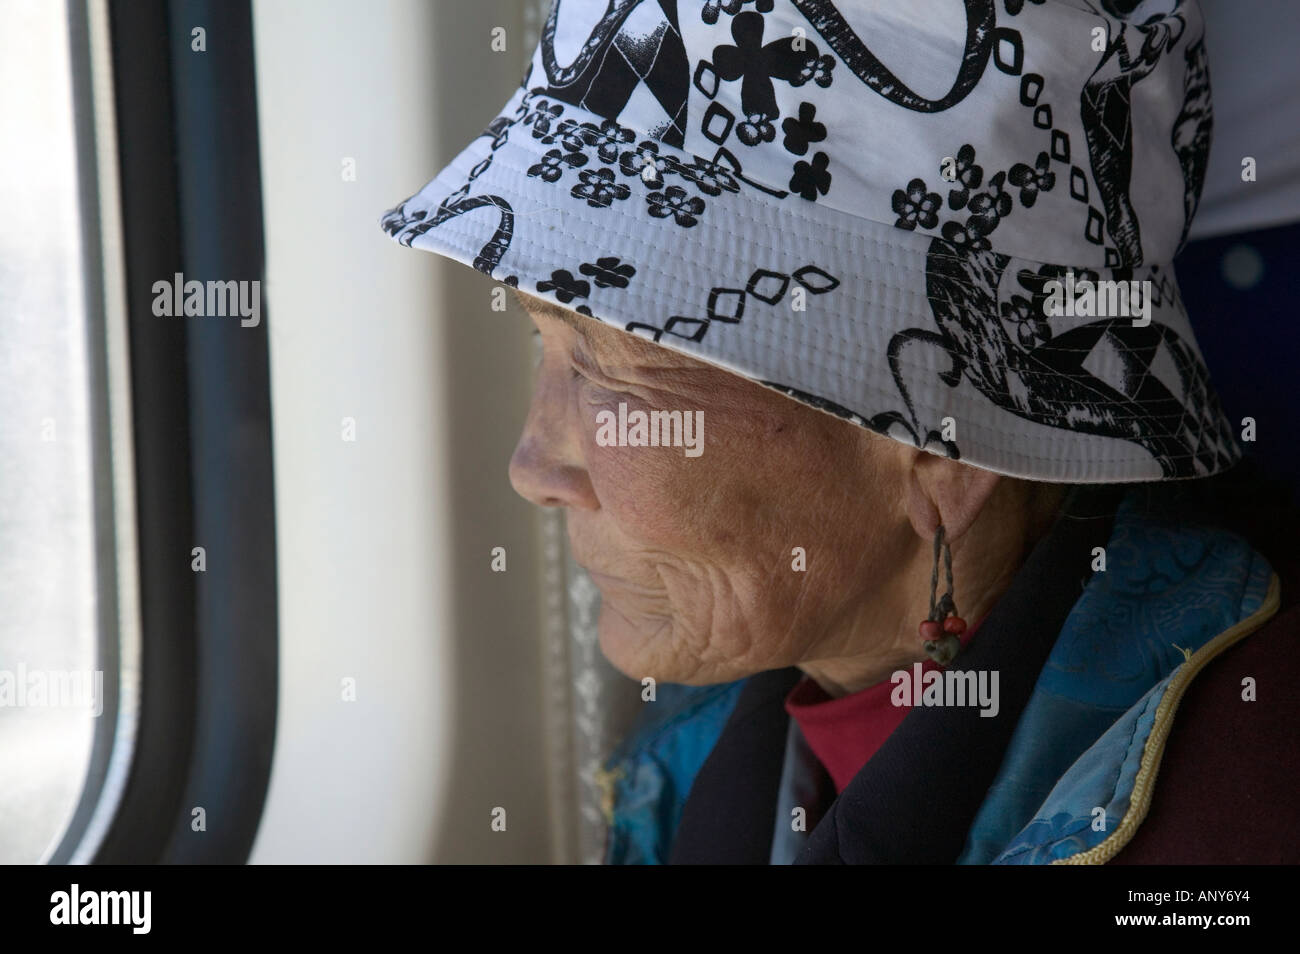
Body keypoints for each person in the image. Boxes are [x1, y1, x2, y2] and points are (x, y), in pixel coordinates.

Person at [380, 0, 1299, 863]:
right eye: (544, 342)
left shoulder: (1234, 815)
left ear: (937, 445)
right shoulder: (692, 768)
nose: (534, 466)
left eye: (606, 369)